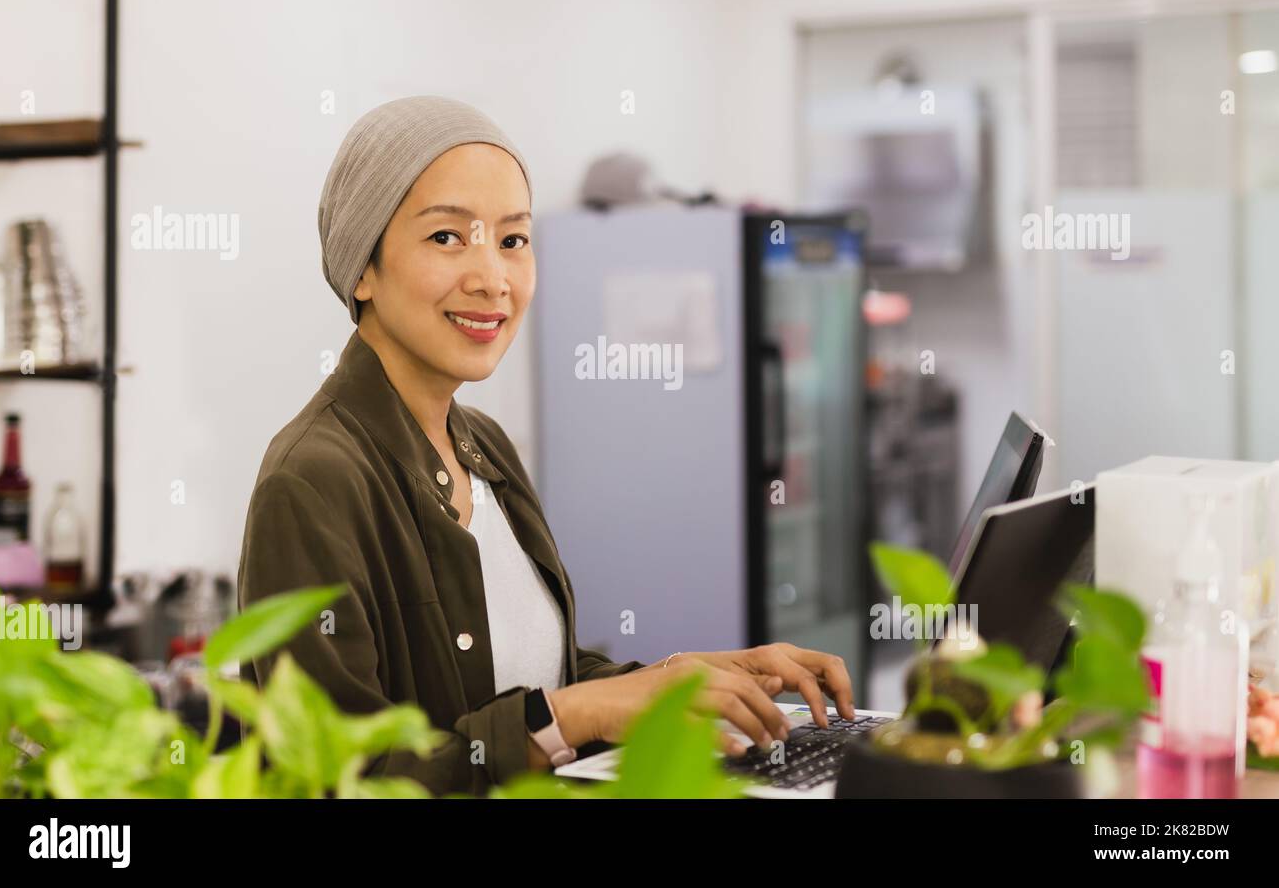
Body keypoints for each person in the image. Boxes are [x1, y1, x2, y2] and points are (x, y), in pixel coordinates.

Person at [236, 96, 855, 796]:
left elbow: (539, 684)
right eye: (447, 238)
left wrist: (689, 678)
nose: (492, 278)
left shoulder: (483, 445)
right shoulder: (314, 480)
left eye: (512, 240)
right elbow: (336, 778)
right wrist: (576, 711)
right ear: (362, 268)